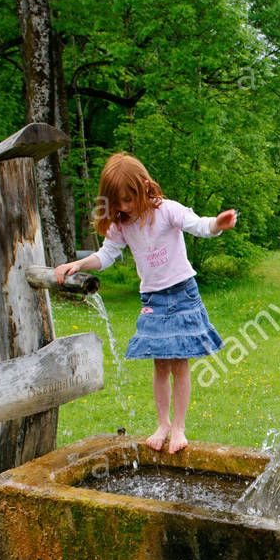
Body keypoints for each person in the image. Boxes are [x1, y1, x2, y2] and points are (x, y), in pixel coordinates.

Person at [54, 152, 235, 454]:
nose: (124, 207)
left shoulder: (167, 211)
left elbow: (199, 226)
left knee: (179, 364)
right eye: (117, 201)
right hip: (152, 298)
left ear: (144, 187)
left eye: (129, 199)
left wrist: (217, 223)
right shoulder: (121, 224)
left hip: (181, 294)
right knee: (159, 365)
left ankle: (178, 426)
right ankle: (162, 424)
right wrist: (79, 264)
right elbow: (107, 255)